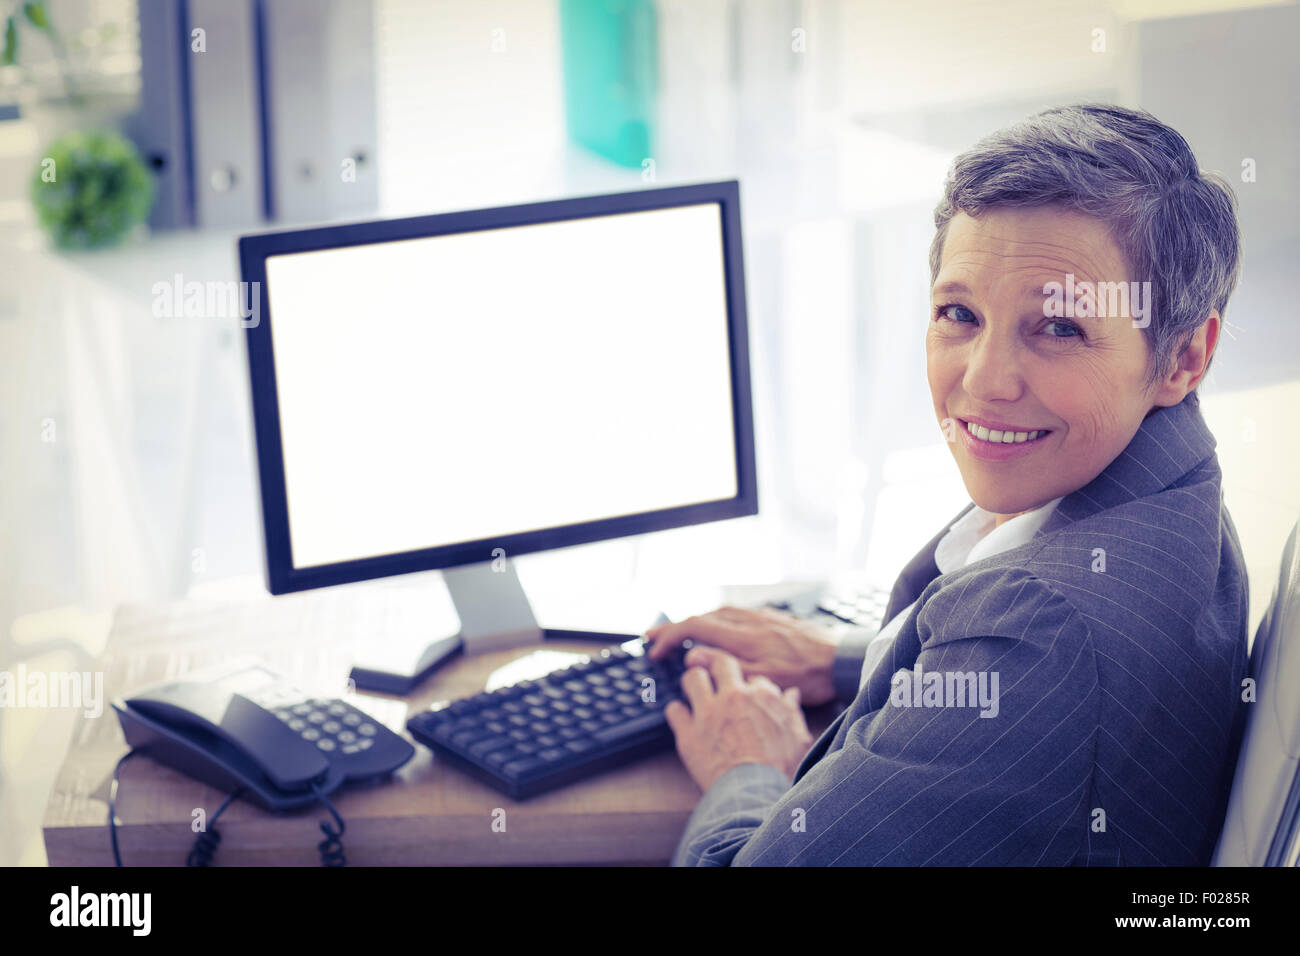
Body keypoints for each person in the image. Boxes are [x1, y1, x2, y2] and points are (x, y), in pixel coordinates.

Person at [648, 104, 1249, 866]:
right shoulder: (1167, 481)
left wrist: (748, 764)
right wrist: (849, 660)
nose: (984, 380)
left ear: (1184, 357)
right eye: (958, 314)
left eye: (1060, 328)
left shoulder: (1041, 636)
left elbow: (1040, 666)